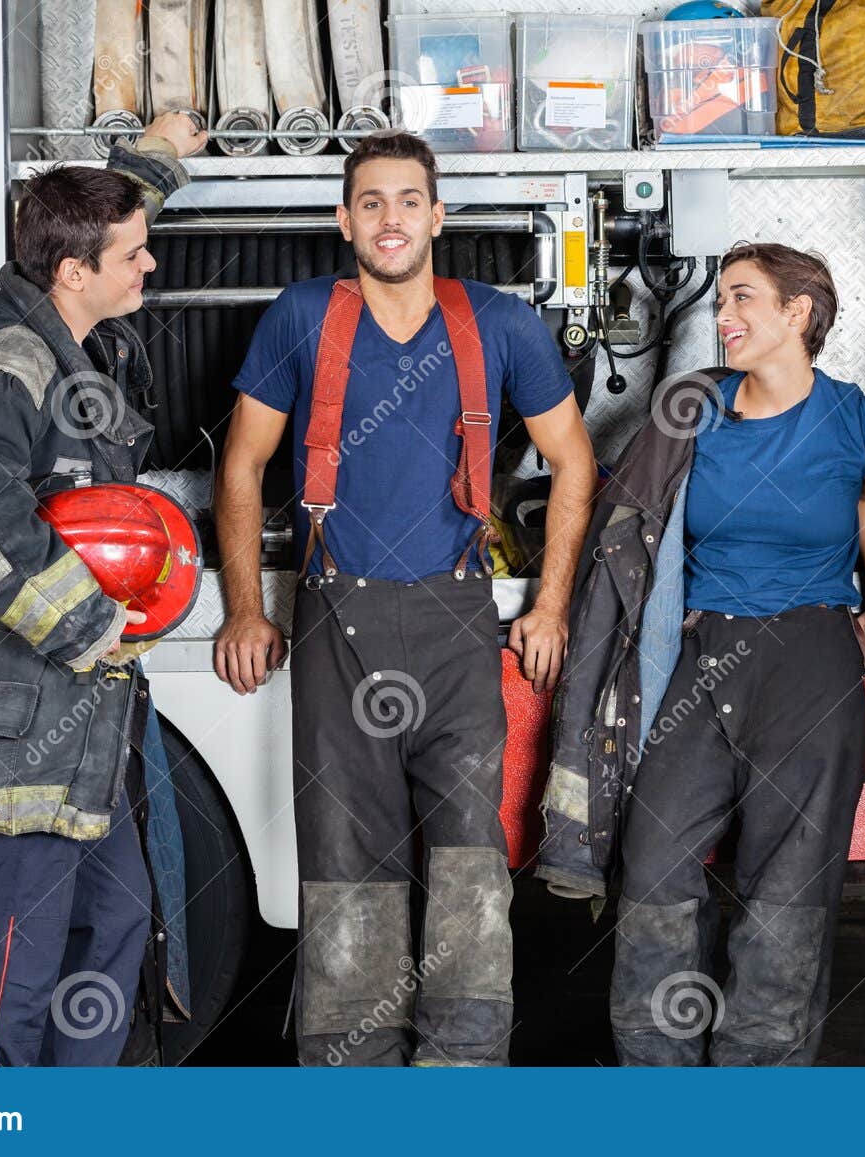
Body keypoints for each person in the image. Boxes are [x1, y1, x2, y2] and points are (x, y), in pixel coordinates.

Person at [213, 129, 596, 1066]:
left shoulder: (499, 323)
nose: (391, 219)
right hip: (335, 611)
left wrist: (549, 606)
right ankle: (354, 1073)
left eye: (409, 200)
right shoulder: (300, 316)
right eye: (372, 202)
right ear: (345, 219)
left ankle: (463, 1064)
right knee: (347, 858)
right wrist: (244, 609)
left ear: (438, 214)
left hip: (454, 615)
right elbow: (244, 465)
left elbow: (576, 459)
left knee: (470, 857)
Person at [535, 242, 865, 1065]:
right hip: (702, 655)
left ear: (797, 314)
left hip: (812, 660)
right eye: (722, 304)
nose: (724, 320)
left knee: (788, 894)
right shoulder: (691, 410)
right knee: (655, 868)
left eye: (742, 301)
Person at [0, 111, 208, 1065]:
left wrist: (148, 166)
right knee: (12, 960)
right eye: (135, 255)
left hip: (72, 731)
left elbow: (96, 223)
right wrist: (85, 627)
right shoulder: (12, 364)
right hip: (20, 732)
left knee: (113, 925)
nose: (148, 267)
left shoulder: (66, 333)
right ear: (74, 274)